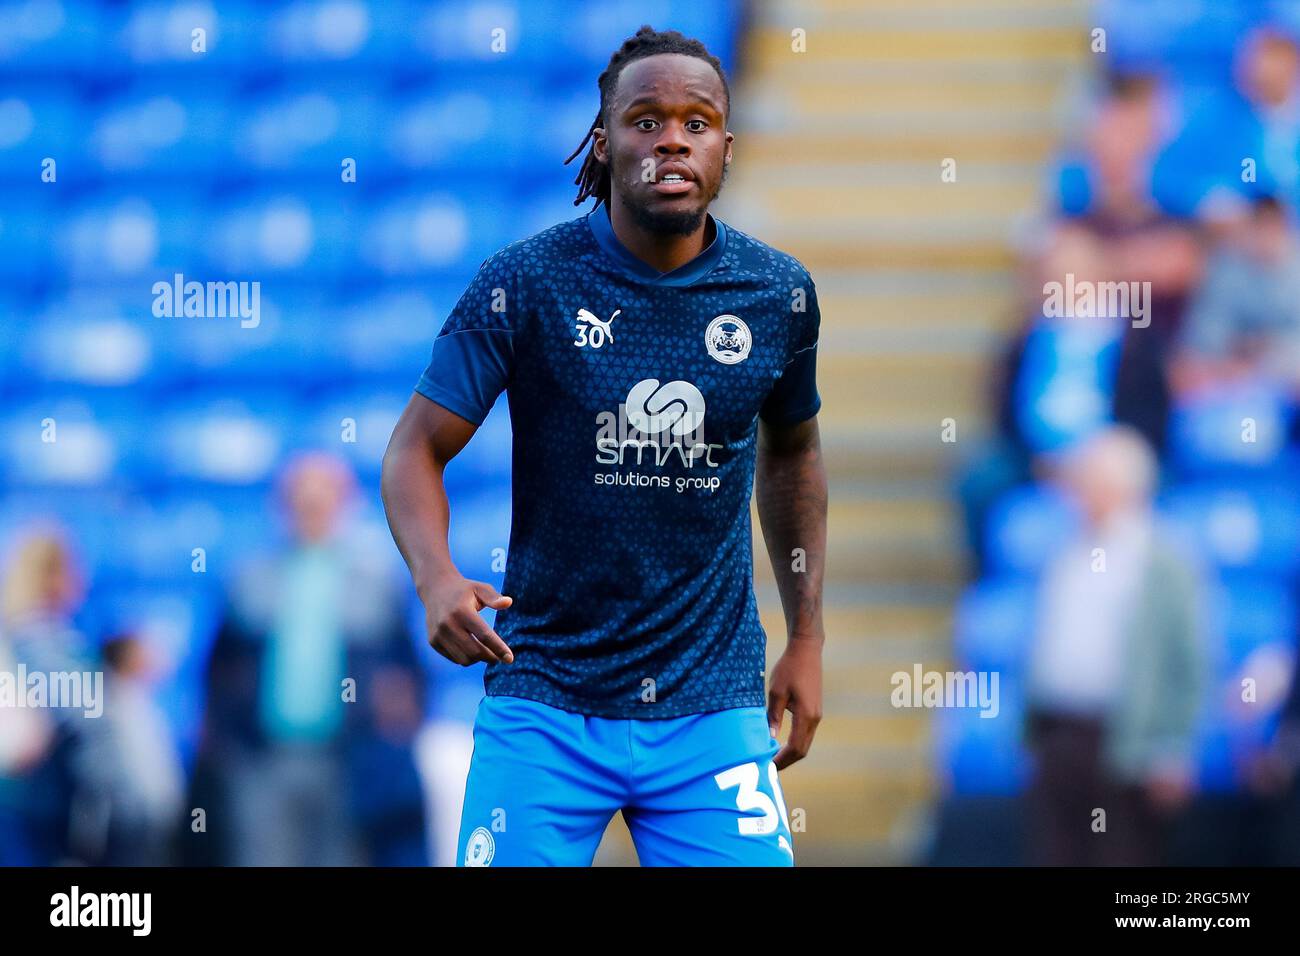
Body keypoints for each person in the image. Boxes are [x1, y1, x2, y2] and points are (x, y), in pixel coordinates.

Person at [382, 25, 827, 867]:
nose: (672, 140)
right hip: (545, 696)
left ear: (727, 148)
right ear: (603, 140)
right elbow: (414, 449)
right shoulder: (527, 283)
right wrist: (435, 576)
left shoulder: (778, 295)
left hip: (711, 704)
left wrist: (807, 635)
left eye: (697, 123)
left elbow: (795, 453)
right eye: (646, 119)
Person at [201, 452, 424, 866]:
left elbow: (407, 672)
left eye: (321, 501)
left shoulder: (375, 584)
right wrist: (227, 747)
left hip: (349, 764)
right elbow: (217, 670)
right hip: (262, 760)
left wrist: (391, 739)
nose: (310, 511)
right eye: (299, 501)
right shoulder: (250, 580)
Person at [1022, 426, 1207, 865]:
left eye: (1089, 481)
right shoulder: (1067, 551)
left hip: (1126, 743)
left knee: (1120, 855)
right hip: (1060, 733)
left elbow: (1189, 661)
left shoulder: (1164, 561)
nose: (1077, 492)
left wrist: (1173, 747)